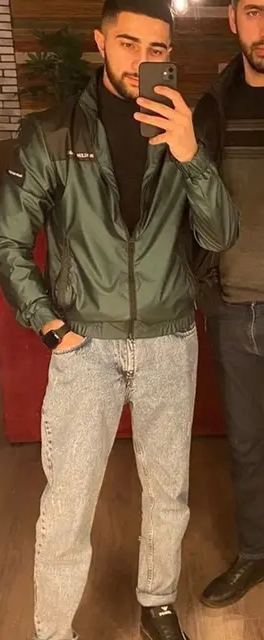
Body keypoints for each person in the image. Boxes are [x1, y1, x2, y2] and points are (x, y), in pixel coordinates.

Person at [0, 0, 239, 637]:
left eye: (158, 50)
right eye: (129, 44)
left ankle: (157, 603)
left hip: (169, 340)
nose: (142, 60)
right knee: (68, 501)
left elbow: (220, 234)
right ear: (101, 42)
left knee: (168, 491)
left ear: (169, 56)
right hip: (85, 347)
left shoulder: (186, 130)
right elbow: (7, 237)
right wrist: (48, 322)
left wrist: (191, 154)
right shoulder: (50, 133)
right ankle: (53, 631)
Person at [194, 0, 264, 609]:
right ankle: (254, 553)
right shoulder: (209, 111)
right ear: (234, 21)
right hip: (235, 306)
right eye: (256, 11)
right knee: (246, 445)